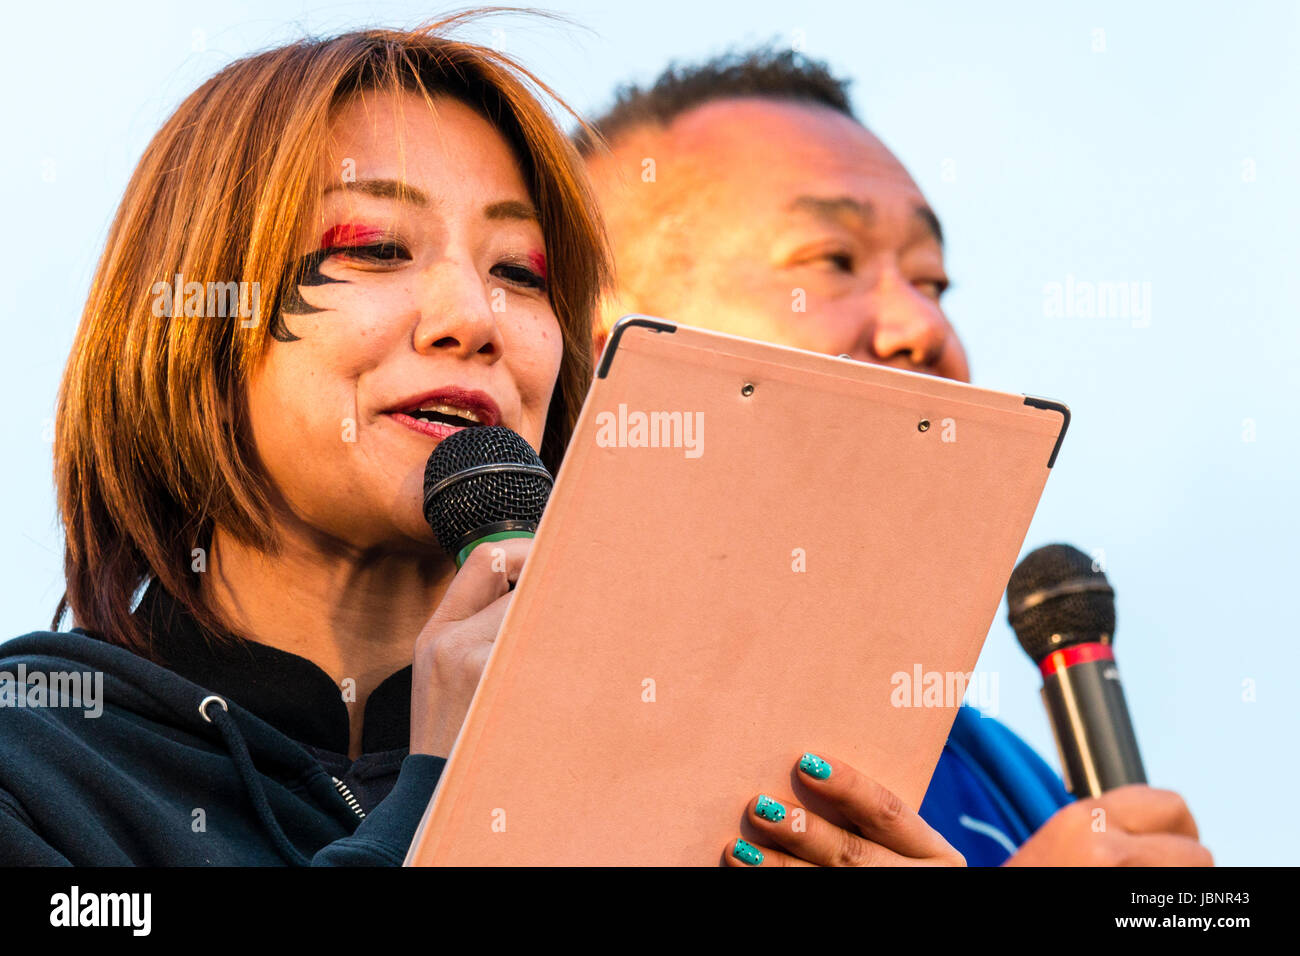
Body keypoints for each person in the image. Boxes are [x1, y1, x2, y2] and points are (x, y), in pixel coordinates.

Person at [1, 16, 963, 867]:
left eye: (521, 268)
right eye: (375, 248)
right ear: (193, 323)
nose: (475, 315)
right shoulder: (37, 767)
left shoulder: (703, 772)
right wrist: (458, 799)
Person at [577, 48, 1213, 866]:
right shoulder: (461, 721)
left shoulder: (1016, 787)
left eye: (932, 280)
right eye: (832, 262)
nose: (923, 329)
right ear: (604, 344)